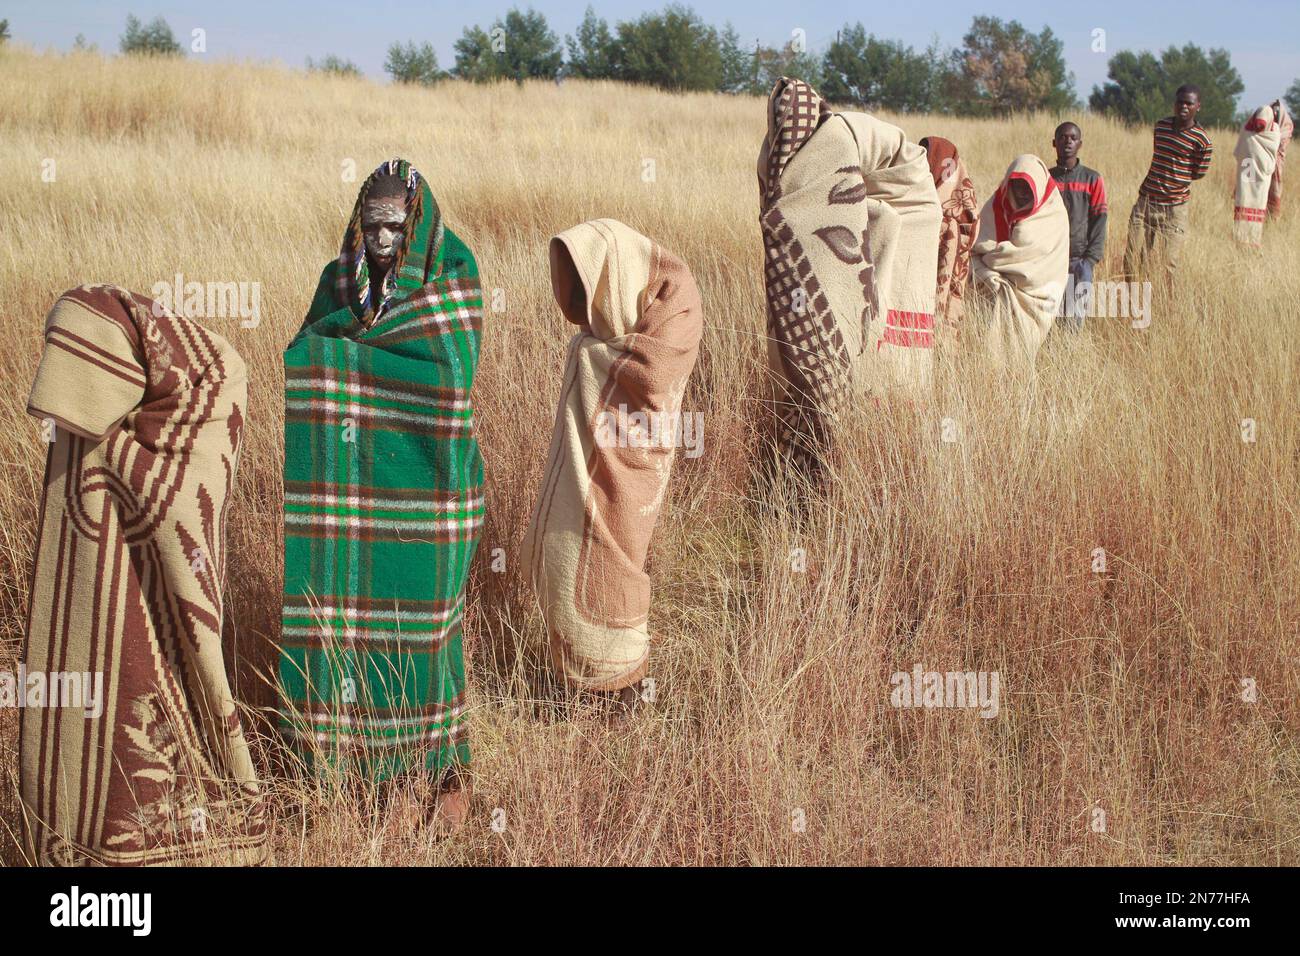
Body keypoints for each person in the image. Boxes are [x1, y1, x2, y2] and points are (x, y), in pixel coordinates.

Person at [20, 284, 269, 866]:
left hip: (185, 590)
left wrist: (129, 471)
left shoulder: (202, 386)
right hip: (121, 586)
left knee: (184, 667)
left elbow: (190, 495)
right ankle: (95, 829)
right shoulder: (92, 439)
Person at [278, 158, 485, 831]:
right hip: (356, 493)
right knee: (361, 637)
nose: (383, 238)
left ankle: (447, 772)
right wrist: (348, 362)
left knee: (427, 634)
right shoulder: (336, 281)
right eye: (372, 225)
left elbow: (449, 372)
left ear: (417, 224)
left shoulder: (454, 279)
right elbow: (307, 354)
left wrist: (360, 361)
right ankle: (381, 773)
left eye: (395, 225)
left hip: (433, 489)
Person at [522, 219, 702, 714]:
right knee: (571, 551)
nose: (585, 318)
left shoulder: (676, 299)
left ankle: (618, 677)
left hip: (637, 461)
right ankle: (582, 681)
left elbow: (656, 373)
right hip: (607, 449)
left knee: (615, 552)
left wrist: (592, 355)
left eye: (590, 288)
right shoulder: (618, 315)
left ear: (614, 275)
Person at [757, 76, 941, 479]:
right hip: (795, 285)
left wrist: (872, 214)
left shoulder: (836, 142)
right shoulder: (780, 149)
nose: (786, 135)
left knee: (871, 368)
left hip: (904, 215)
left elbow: (847, 206)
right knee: (798, 365)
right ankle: (795, 471)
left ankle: (860, 463)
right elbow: (790, 211)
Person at [969, 155, 1070, 369]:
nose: (1023, 193)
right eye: (1017, 186)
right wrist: (991, 277)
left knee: (1019, 361)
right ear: (1008, 185)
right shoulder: (997, 205)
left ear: (1040, 188)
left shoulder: (1053, 215)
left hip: (1036, 300)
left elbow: (1036, 271)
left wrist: (996, 260)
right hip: (990, 299)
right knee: (983, 359)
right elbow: (975, 249)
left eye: (1028, 188)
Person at [1123, 85, 1214, 278]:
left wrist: (1176, 180)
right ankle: (1132, 300)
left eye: (1189, 103)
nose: (1183, 106)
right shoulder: (1161, 126)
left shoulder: (1202, 140)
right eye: (1180, 102)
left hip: (1174, 208)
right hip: (1146, 202)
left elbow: (1198, 173)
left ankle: (1167, 305)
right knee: (1133, 257)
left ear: (1198, 106)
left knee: (1168, 264)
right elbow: (1158, 154)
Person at [1049, 122, 1108, 327]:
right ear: (1054, 143)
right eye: (1063, 137)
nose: (1068, 142)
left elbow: (1100, 219)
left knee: (1073, 322)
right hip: (1050, 260)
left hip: (1080, 260)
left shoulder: (1092, 178)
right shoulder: (1046, 178)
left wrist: (1090, 259)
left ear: (1080, 144)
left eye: (1073, 138)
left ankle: (1071, 357)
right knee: (1049, 318)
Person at [919, 136, 979, 336]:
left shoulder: (961, 199)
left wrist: (945, 226)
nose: (926, 163)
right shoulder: (913, 189)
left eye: (929, 157)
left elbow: (972, 228)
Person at [1233, 106, 1283, 245]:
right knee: (1247, 202)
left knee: (1253, 203)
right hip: (1252, 174)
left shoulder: (1251, 130)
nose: (1260, 125)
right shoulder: (1272, 130)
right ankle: (1242, 239)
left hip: (1253, 175)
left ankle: (1252, 239)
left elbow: (1239, 152)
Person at [1267, 98, 1293, 218]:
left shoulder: (1287, 127)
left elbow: (1280, 144)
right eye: (1273, 112)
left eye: (1277, 112)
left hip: (1277, 164)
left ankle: (1273, 220)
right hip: (1264, 164)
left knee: (1275, 191)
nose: (1275, 114)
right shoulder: (1266, 127)